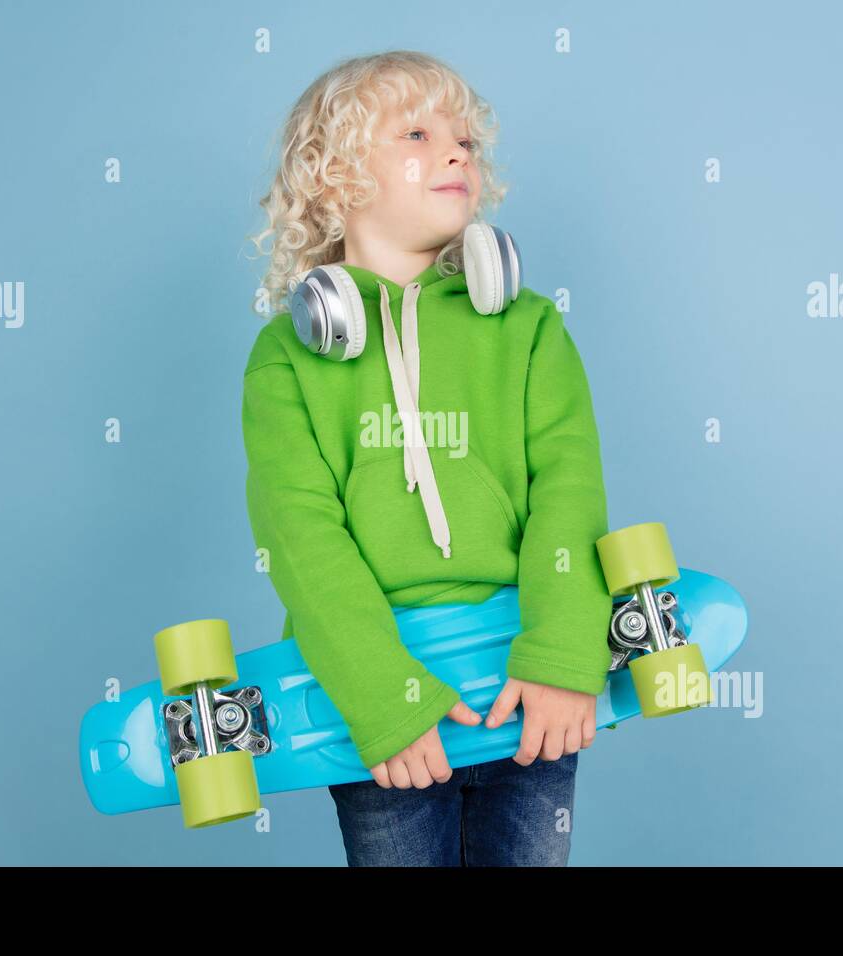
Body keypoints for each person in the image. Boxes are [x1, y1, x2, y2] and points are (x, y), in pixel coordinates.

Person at [241, 50, 612, 866]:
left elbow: (569, 491)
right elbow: (300, 537)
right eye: (417, 132)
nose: (456, 152)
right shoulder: (287, 358)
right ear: (335, 177)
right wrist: (379, 695)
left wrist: (561, 655)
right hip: (381, 702)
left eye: (466, 141)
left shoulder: (528, 327)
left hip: (527, 684)